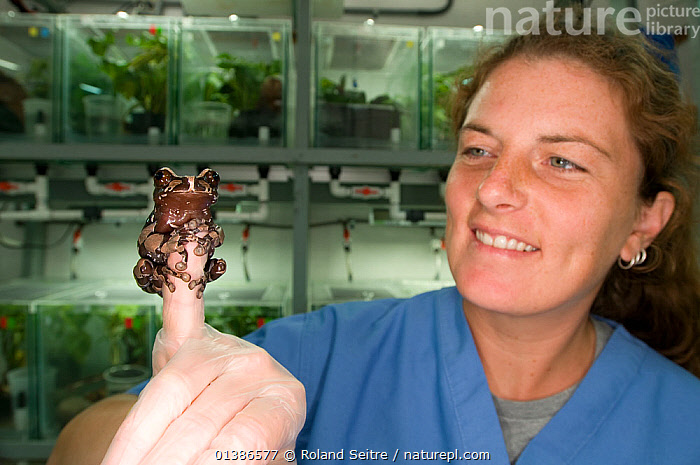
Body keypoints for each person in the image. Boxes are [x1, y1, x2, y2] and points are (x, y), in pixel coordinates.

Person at [48, 8, 700, 465]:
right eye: (477, 149)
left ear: (645, 220)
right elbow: (78, 443)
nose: (496, 186)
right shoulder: (320, 356)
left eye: (562, 161)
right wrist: (163, 437)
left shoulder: (686, 422)